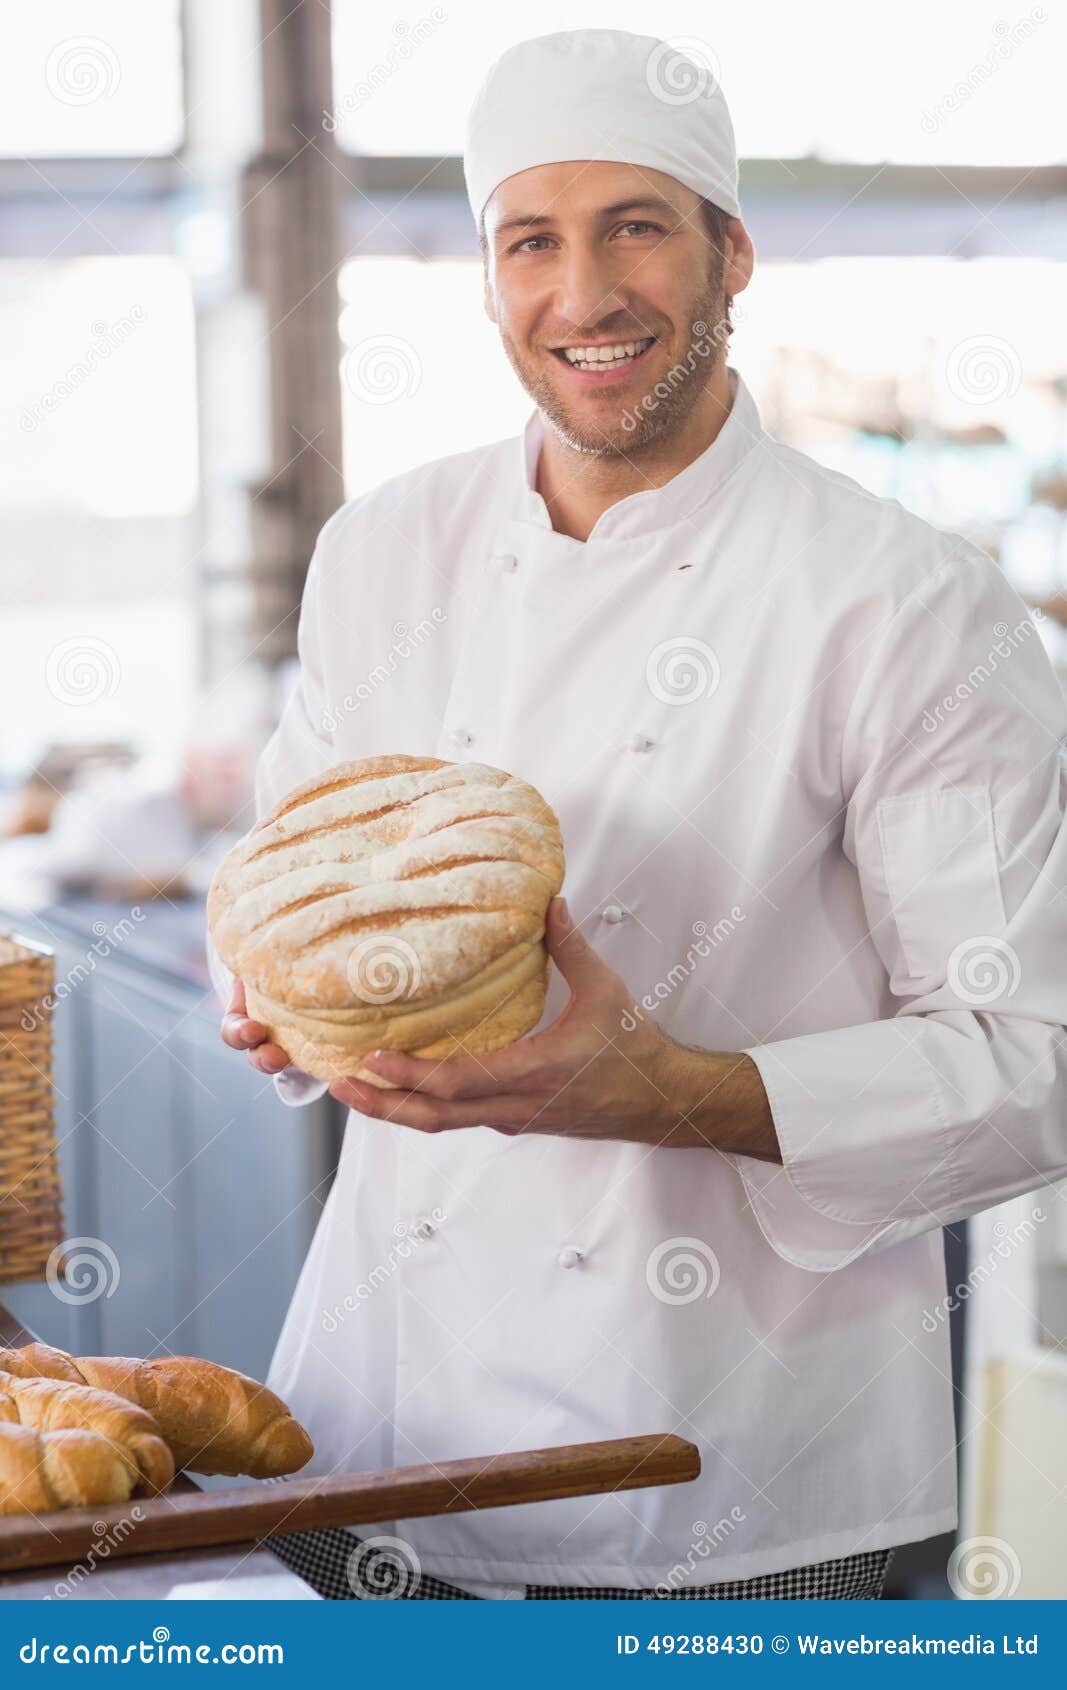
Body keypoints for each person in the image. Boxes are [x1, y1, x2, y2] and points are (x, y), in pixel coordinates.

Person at [215, 30, 1067, 1600]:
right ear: (486, 280)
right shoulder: (381, 550)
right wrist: (279, 1004)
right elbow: (293, 879)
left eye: (638, 227)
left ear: (733, 252)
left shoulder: (907, 604)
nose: (585, 294)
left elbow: (1035, 1061)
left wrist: (668, 1089)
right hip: (379, 1450)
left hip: (734, 1476)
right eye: (531, 240)